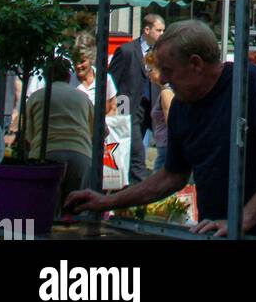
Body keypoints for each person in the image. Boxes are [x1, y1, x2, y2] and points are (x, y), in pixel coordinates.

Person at [67, 20, 256, 238]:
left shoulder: (248, 83)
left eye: (169, 71)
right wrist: (106, 202)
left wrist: (242, 219)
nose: (162, 80)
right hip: (213, 232)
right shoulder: (182, 106)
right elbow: (171, 176)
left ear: (196, 64)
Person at [25, 58, 95, 212]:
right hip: (80, 155)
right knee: (76, 210)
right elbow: (98, 132)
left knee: (45, 210)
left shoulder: (36, 97)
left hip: (46, 154)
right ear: (69, 76)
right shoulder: (83, 98)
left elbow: (28, 136)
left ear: (45, 76)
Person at [109, 12, 165, 181]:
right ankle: (138, 185)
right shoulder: (127, 51)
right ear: (147, 30)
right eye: (159, 30)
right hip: (129, 107)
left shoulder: (160, 53)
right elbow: (111, 81)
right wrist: (115, 108)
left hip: (152, 106)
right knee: (137, 151)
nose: (162, 34)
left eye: (163, 31)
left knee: (160, 147)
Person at [145, 49, 173, 171]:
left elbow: (171, 124)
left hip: (166, 148)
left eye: (150, 70)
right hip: (164, 146)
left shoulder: (166, 93)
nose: (148, 74)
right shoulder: (166, 90)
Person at [74, 40, 118, 116]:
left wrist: (101, 125)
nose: (78, 66)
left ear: (91, 59)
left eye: (82, 61)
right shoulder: (68, 80)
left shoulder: (105, 79)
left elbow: (113, 108)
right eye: (75, 61)